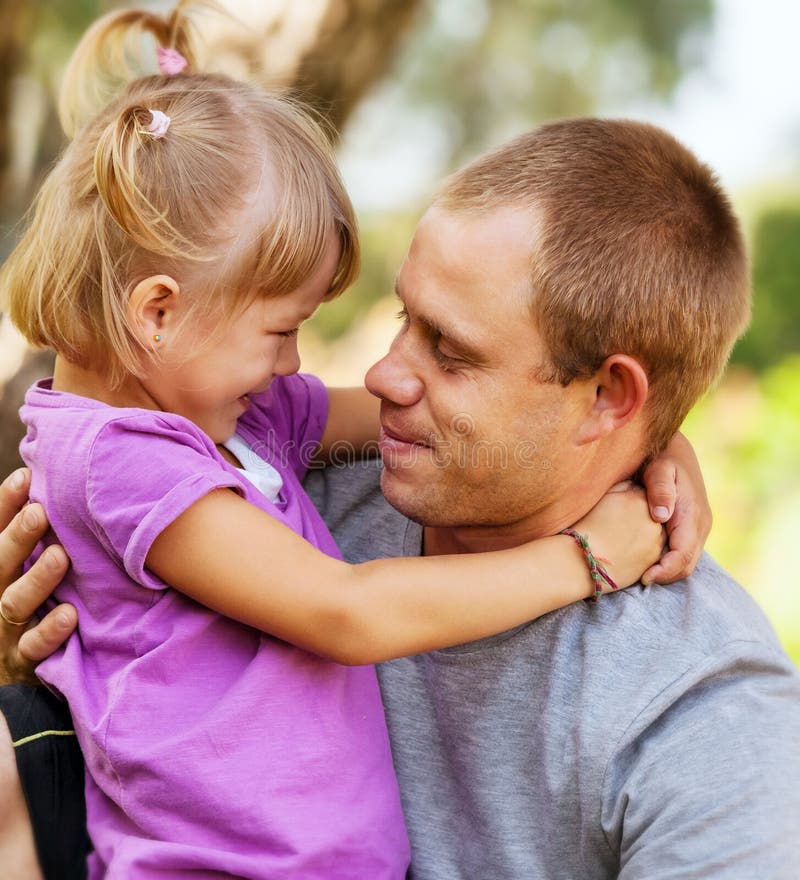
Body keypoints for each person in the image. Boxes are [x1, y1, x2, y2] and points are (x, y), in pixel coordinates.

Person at [1, 108, 785, 880]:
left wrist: (657, 442)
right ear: (156, 314)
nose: (379, 376)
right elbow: (340, 612)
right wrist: (590, 554)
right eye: (406, 316)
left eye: (449, 350)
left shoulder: (704, 717)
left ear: (613, 398)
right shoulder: (249, 478)